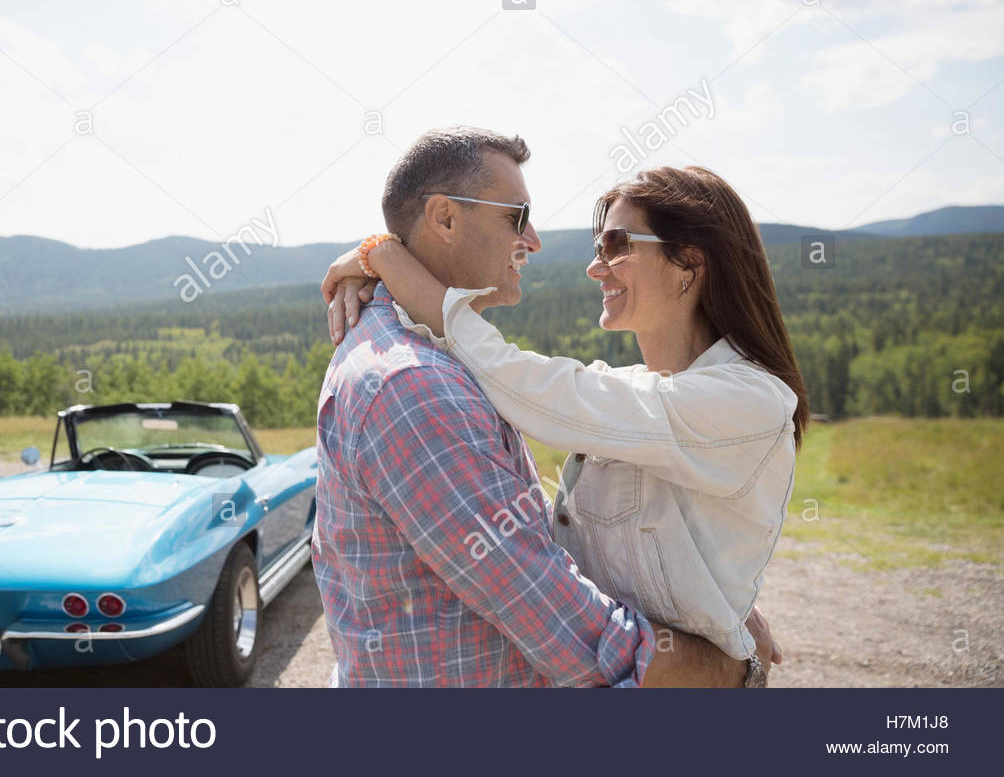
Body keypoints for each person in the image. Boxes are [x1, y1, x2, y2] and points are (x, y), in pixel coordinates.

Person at [312, 126, 778, 687]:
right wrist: (728, 669)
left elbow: (532, 386)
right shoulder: (414, 386)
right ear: (445, 219)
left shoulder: (736, 399)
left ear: (689, 266)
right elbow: (567, 626)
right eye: (518, 215)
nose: (535, 240)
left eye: (617, 246)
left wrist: (388, 257)